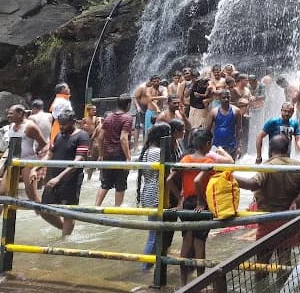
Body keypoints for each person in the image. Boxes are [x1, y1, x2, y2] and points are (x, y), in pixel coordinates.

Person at [234, 133, 300, 272]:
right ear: (287, 149)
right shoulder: (297, 165)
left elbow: (253, 184)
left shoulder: (268, 166)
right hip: (289, 218)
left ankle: (261, 283)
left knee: (262, 262)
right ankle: (285, 284)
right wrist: (297, 200)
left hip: (268, 218)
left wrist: (230, 177)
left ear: (270, 149)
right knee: (285, 260)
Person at [166, 128, 233, 285]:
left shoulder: (185, 159)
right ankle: (200, 283)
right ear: (207, 144)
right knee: (200, 243)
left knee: (186, 241)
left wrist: (180, 200)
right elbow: (197, 181)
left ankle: (184, 283)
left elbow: (169, 180)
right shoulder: (208, 162)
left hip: (186, 204)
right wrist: (201, 202)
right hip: (200, 204)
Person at [0, 104, 49, 219]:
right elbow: (10, 146)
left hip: (27, 162)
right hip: (13, 162)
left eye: (11, 113)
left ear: (20, 114)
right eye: (8, 113)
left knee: (31, 195)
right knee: (2, 192)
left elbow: (44, 144)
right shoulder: (11, 126)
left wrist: (40, 162)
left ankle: (45, 215)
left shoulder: (30, 126)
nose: (8, 116)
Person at [38, 110, 90, 235]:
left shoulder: (82, 136)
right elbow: (50, 154)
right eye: (60, 124)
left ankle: (66, 238)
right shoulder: (59, 136)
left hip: (71, 179)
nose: (61, 127)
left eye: (64, 124)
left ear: (73, 122)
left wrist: (59, 178)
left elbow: (79, 160)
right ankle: (65, 230)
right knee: (43, 209)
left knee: (68, 212)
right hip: (54, 177)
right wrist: (36, 168)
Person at [136, 123, 172, 270]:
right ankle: (145, 268)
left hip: (148, 193)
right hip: (156, 193)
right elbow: (166, 174)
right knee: (154, 235)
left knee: (154, 233)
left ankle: (148, 267)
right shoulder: (158, 152)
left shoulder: (147, 151)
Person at [95, 93, 133, 207]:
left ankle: (95, 207)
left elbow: (100, 137)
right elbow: (123, 138)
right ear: (128, 104)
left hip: (107, 155)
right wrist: (128, 157)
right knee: (120, 185)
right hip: (120, 156)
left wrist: (101, 155)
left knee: (105, 183)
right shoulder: (127, 118)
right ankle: (117, 209)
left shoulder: (108, 117)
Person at [208, 89, 241, 159]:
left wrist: (238, 146)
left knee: (231, 164)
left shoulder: (236, 111)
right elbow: (208, 131)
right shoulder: (214, 112)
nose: (226, 99)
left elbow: (239, 130)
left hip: (231, 146)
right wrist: (208, 146)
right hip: (217, 145)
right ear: (219, 98)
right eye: (224, 97)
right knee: (216, 164)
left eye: (228, 97)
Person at [80, 104, 103, 180]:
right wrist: (84, 127)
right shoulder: (84, 119)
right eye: (93, 110)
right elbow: (81, 129)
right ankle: (88, 177)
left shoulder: (96, 119)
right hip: (87, 138)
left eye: (95, 110)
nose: (95, 111)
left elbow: (98, 126)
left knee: (94, 158)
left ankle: (98, 177)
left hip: (94, 139)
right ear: (88, 111)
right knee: (89, 157)